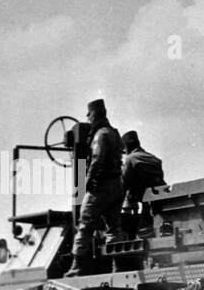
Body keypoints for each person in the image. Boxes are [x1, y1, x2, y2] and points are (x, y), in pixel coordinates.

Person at [66, 98, 122, 276]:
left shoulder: (100, 135)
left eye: (89, 114)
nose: (87, 117)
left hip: (101, 187)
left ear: (95, 114)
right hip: (117, 185)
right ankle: (117, 265)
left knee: (85, 223)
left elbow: (97, 159)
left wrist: (87, 182)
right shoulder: (114, 133)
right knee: (114, 227)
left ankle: (77, 265)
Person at [119, 129, 166, 236]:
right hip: (160, 197)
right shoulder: (153, 158)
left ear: (127, 147)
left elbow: (123, 185)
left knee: (142, 230)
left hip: (147, 199)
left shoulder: (131, 159)